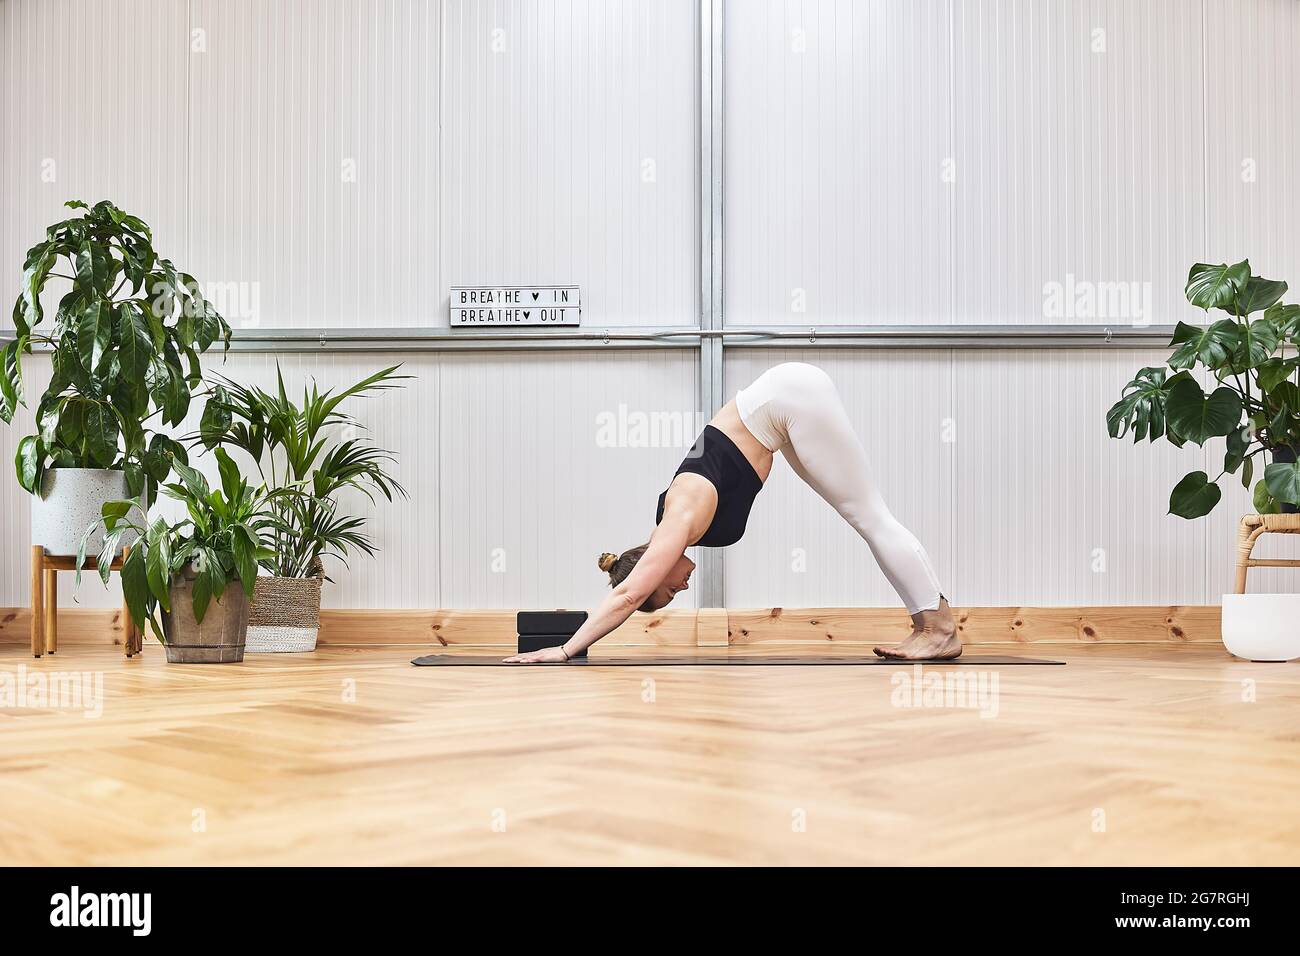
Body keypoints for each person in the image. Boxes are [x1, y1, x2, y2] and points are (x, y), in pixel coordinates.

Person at [504, 362, 958, 663]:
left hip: (786, 400)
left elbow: (625, 596)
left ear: (650, 570)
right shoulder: (673, 524)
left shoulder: (679, 517)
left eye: (668, 590)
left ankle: (938, 630)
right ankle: (928, 626)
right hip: (779, 413)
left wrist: (565, 650)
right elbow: (630, 586)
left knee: (870, 516)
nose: (682, 585)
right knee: (866, 518)